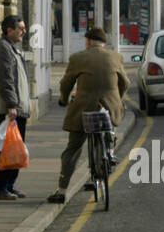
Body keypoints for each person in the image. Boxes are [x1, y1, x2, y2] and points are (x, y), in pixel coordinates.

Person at [47, 26, 130, 204]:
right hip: (109, 107)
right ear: (104, 43)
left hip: (84, 110)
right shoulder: (115, 57)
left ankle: (61, 190)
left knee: (73, 149)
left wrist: (63, 99)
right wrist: (119, 99)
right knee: (109, 128)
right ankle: (108, 151)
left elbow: (66, 83)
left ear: (88, 42)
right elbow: (125, 82)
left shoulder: (77, 58)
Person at [0, 15, 31, 201]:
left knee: (15, 150)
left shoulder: (12, 49)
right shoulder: (2, 49)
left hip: (18, 108)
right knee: (6, 150)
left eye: (24, 28)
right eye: (20, 28)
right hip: (11, 110)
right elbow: (4, 79)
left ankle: (9, 185)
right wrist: (11, 105)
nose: (24, 32)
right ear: (9, 30)